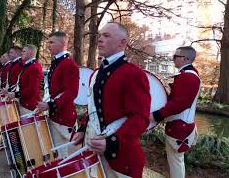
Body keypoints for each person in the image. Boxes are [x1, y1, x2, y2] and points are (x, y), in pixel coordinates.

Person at [72, 22, 151, 178]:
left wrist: (113, 142)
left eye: (106, 36)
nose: (100, 39)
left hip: (120, 159)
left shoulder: (133, 74)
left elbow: (140, 118)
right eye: (100, 35)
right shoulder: (95, 74)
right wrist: (83, 130)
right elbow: (94, 108)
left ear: (122, 43)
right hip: (94, 152)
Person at [150, 46, 200, 178]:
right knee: (176, 161)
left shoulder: (189, 77)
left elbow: (181, 103)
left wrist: (156, 115)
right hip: (180, 125)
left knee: (176, 162)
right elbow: (180, 98)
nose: (173, 59)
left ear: (185, 58)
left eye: (175, 57)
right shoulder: (187, 75)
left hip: (180, 127)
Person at [36, 31, 79, 158]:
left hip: (63, 116)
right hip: (56, 114)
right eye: (48, 42)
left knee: (60, 156)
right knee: (54, 154)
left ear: (63, 43)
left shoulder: (68, 64)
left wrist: (50, 105)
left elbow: (72, 92)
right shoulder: (58, 62)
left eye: (52, 42)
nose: (48, 45)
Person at [7, 44, 43, 115]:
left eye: (24, 51)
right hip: (25, 102)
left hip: (29, 105)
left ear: (30, 53)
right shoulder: (28, 65)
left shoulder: (34, 67)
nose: (21, 53)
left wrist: (16, 94)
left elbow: (32, 89)